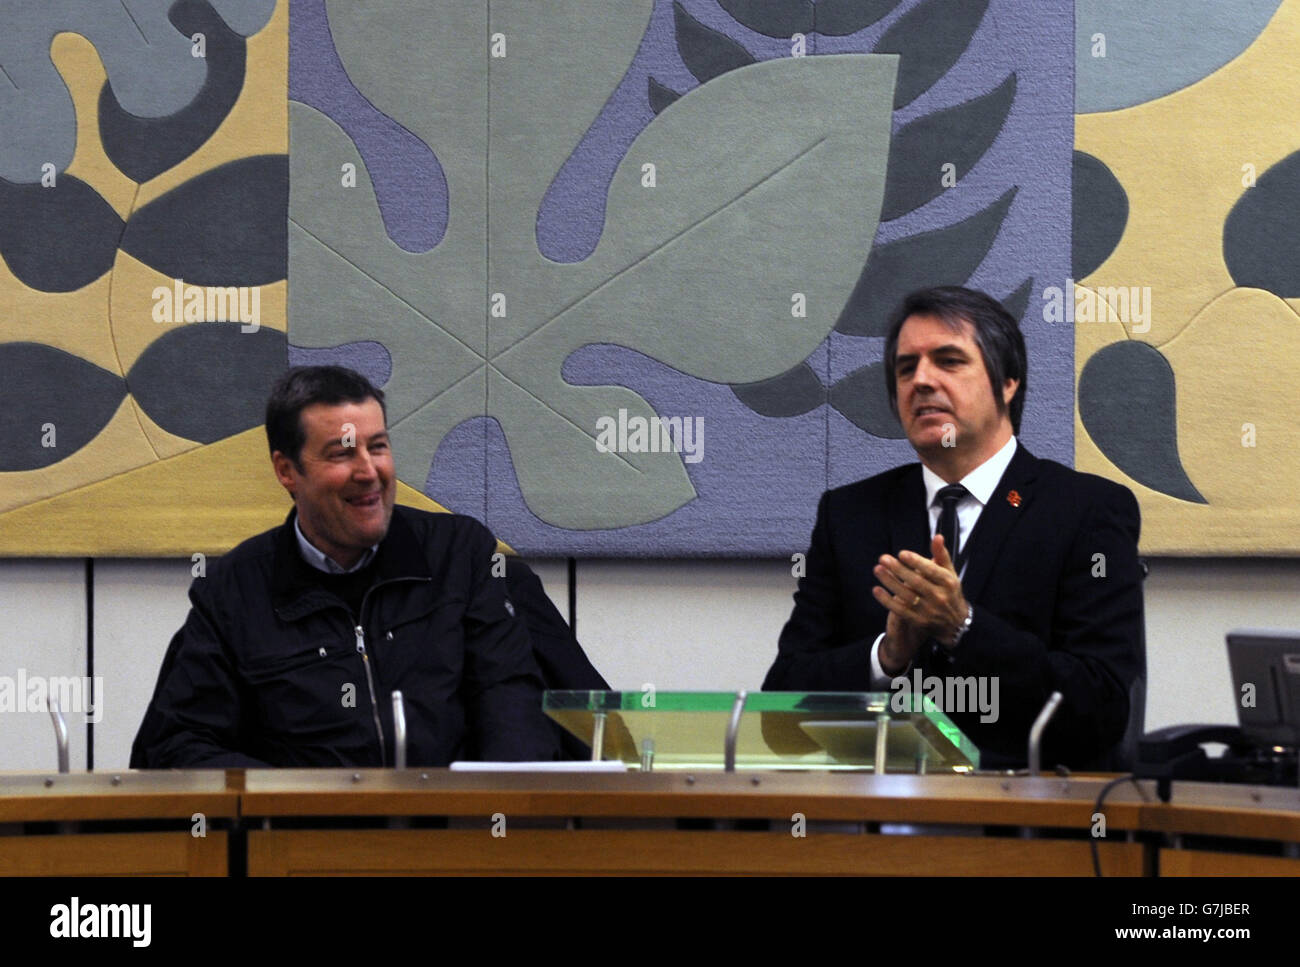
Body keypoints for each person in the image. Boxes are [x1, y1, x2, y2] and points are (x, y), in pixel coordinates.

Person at [763, 286, 1144, 769]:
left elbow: (1103, 708)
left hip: (1024, 815)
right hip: (873, 815)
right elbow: (779, 706)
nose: (921, 380)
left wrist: (964, 627)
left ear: (1008, 381)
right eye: (906, 368)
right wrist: (888, 656)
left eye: (947, 361)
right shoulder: (849, 515)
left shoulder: (1087, 511)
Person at [132, 366, 560, 767]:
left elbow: (511, 704)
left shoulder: (459, 555)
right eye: (343, 454)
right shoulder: (234, 589)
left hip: (450, 833)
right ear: (287, 470)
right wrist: (293, 808)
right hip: (302, 839)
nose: (369, 472)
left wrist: (497, 818)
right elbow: (178, 744)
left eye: (378, 447)